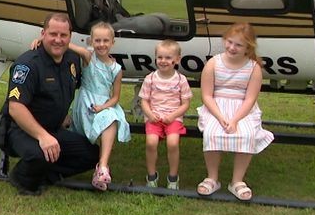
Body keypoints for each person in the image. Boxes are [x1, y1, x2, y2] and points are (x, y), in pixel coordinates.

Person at [0, 12, 99, 195]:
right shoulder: (28, 65)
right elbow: (15, 108)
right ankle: (21, 178)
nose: (58, 40)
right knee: (39, 155)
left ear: (70, 37)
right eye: (53, 34)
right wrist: (43, 137)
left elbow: (84, 79)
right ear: (43, 34)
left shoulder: (72, 60)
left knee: (91, 154)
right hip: (21, 130)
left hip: (53, 129)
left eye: (63, 35)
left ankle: (46, 175)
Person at [196, 22, 273, 201]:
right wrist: (221, 117)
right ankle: (212, 177)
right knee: (212, 132)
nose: (232, 47)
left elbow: (250, 99)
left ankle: (237, 180)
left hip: (242, 110)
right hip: (216, 107)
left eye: (238, 45)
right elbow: (206, 95)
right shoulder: (213, 63)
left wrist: (235, 120)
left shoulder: (253, 68)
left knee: (247, 134)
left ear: (248, 47)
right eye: (229, 42)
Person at [65, 22, 130, 191]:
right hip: (86, 102)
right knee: (107, 118)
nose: (101, 44)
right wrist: (40, 40)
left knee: (112, 118)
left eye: (106, 41)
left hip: (104, 104)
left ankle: (102, 167)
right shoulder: (88, 57)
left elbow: (115, 97)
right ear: (91, 41)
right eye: (98, 40)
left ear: (112, 42)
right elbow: (65, 44)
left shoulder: (116, 69)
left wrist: (103, 107)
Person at [138, 39, 193, 190]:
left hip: (173, 118)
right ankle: (151, 176)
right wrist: (150, 115)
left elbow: (186, 104)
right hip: (154, 117)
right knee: (151, 143)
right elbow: (144, 101)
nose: (163, 61)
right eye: (160, 57)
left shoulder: (181, 80)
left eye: (168, 58)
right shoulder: (150, 78)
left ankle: (173, 178)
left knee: (173, 143)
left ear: (177, 59)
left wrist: (173, 116)